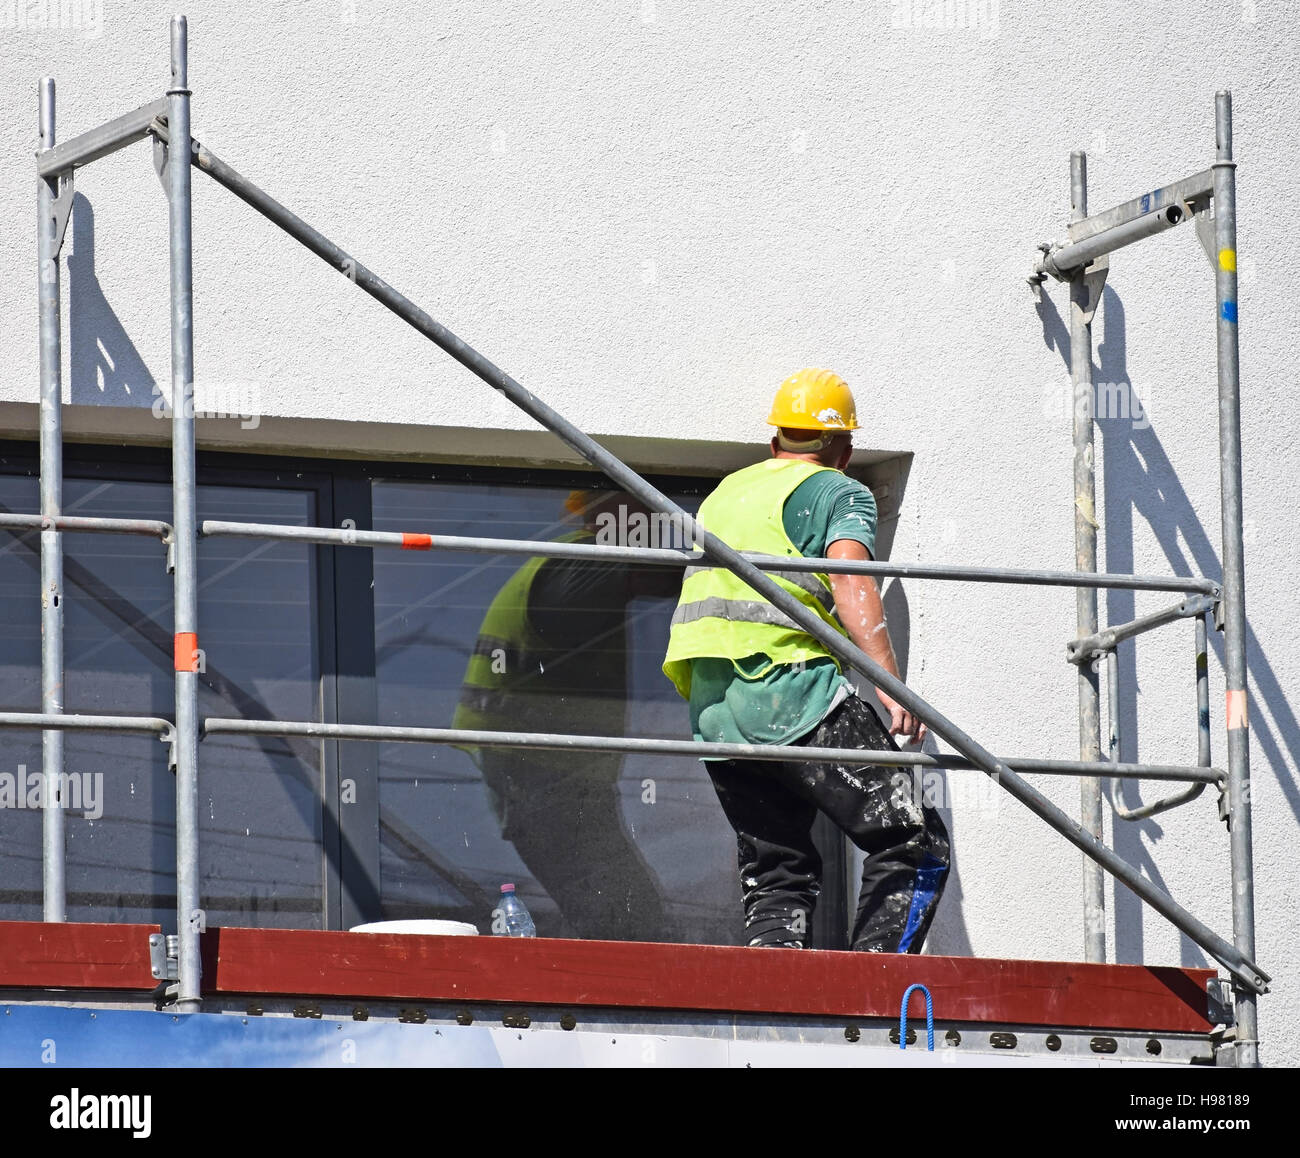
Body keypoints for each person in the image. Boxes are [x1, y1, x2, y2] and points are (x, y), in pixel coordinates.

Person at [662, 368, 950, 953]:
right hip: (791, 693)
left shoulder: (726, 494)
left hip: (716, 713)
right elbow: (851, 578)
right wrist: (890, 687)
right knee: (913, 845)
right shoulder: (838, 491)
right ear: (842, 449)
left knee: (776, 873)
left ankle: (777, 1001)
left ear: (775, 443)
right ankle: (873, 993)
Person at [454, 490, 676, 941]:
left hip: (542, 768)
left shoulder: (562, 564)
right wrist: (728, 561)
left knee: (616, 909)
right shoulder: (581, 566)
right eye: (650, 520)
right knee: (626, 917)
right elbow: (668, 576)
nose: (658, 530)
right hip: (540, 769)